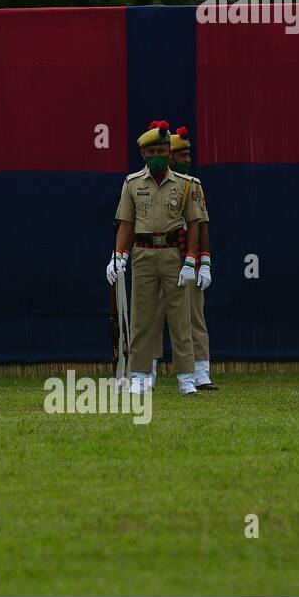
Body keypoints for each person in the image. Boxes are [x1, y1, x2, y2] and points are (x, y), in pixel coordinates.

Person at [106, 120, 203, 396]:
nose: (157, 156)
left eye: (162, 151)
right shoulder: (133, 183)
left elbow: (193, 223)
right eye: (151, 153)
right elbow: (126, 223)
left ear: (168, 153)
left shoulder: (184, 185)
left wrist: (190, 261)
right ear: (143, 155)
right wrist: (119, 257)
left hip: (173, 254)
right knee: (141, 318)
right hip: (143, 255)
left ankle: (186, 375)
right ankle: (138, 374)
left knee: (180, 318)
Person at [168, 128, 216, 391]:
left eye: (189, 154)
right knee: (156, 317)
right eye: (182, 155)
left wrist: (204, 261)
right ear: (171, 156)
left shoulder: (194, 185)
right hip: (165, 252)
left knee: (195, 315)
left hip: (189, 253)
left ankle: (201, 371)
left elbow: (203, 224)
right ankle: (147, 371)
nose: (188, 159)